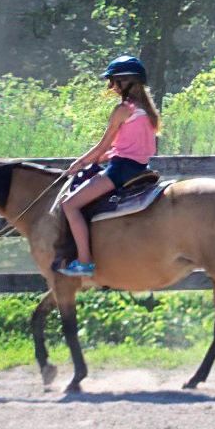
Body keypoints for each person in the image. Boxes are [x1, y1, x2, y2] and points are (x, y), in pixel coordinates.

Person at [55, 56, 161, 277]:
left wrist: (80, 162)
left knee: (70, 205)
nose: (111, 87)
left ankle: (84, 261)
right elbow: (128, 147)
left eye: (113, 81)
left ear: (125, 82)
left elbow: (102, 145)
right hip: (139, 167)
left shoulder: (123, 110)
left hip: (120, 170)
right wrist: (101, 157)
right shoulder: (147, 111)